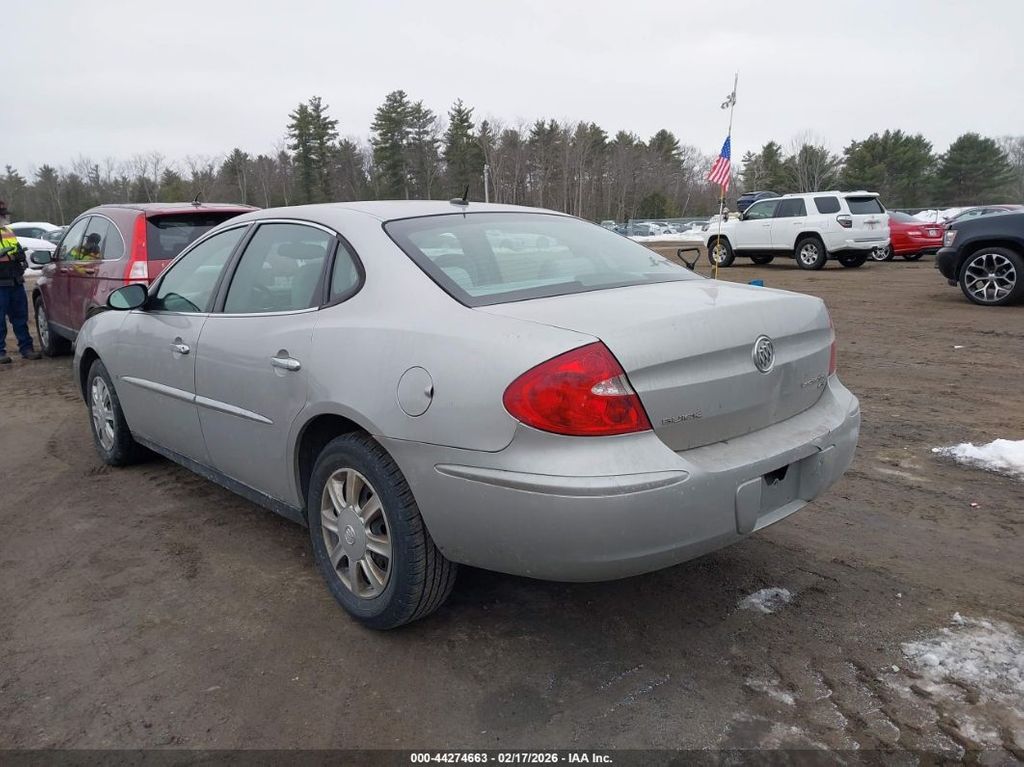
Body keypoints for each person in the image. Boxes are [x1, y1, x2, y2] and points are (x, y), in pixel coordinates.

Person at [0, 200, 42, 363]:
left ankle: (26, 348)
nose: (5, 215)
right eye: (2, 213)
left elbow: (17, 250)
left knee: (20, 317)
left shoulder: (7, 231)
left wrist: (19, 257)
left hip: (15, 280)